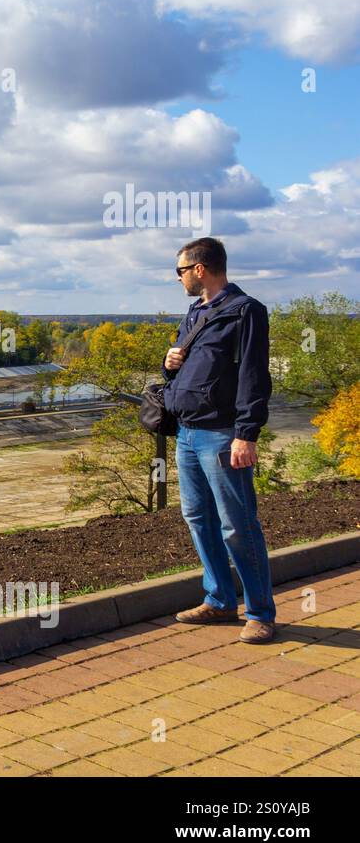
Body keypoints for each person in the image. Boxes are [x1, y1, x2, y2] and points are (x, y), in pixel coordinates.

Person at [162, 237, 276, 643]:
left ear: (199, 269)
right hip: (187, 433)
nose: (177, 279)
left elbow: (253, 376)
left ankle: (260, 612)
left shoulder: (246, 312)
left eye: (179, 271)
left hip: (223, 435)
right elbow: (184, 371)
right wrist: (168, 361)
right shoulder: (195, 313)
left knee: (238, 526)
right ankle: (220, 599)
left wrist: (246, 434)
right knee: (198, 518)